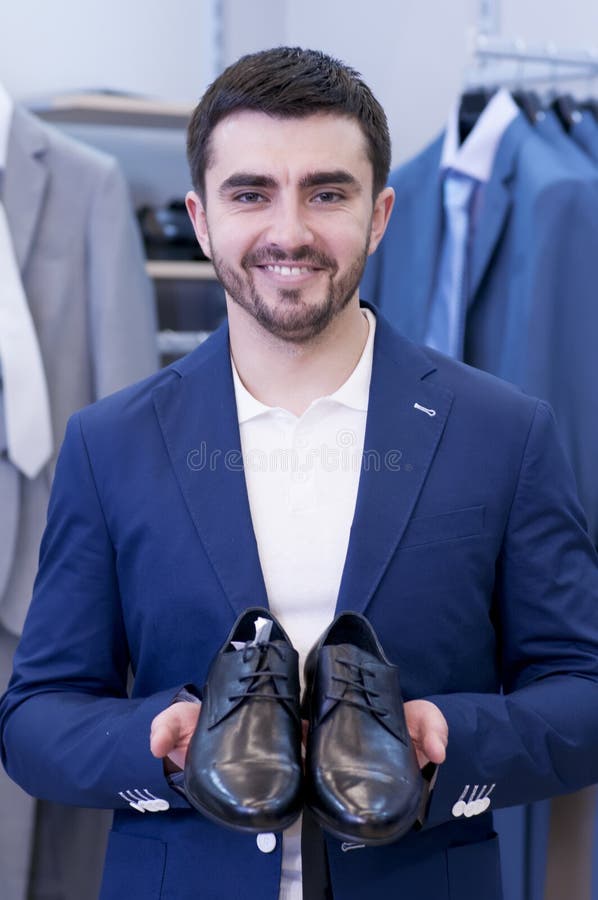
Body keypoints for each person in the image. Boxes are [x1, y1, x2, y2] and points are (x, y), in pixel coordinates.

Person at [1, 46, 598, 900]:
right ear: (201, 219)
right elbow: (35, 719)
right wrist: (161, 740)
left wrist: (446, 739)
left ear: (380, 214)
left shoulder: (502, 432)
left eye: (327, 192)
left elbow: (583, 691)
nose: (289, 232)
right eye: (251, 194)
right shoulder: (111, 443)